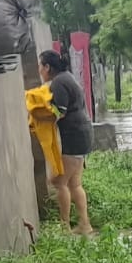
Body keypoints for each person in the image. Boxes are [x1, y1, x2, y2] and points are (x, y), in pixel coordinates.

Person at [37, 50, 95, 236]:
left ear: (47, 67)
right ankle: (84, 225)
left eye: (40, 65)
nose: (39, 70)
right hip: (81, 134)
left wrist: (37, 113)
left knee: (57, 181)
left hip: (75, 136)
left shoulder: (59, 82)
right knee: (74, 183)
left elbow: (59, 111)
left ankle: (65, 227)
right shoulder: (66, 77)